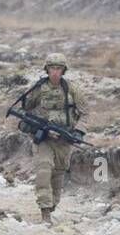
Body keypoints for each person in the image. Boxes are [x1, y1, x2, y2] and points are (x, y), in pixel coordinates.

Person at [14, 54, 88, 224]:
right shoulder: (39, 88)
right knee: (44, 169)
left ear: (64, 70)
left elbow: (86, 113)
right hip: (44, 139)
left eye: (58, 68)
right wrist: (34, 126)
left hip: (64, 138)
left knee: (58, 174)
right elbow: (24, 109)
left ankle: (53, 204)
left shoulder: (73, 90)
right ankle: (45, 211)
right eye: (52, 68)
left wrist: (79, 132)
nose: (55, 72)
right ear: (47, 69)